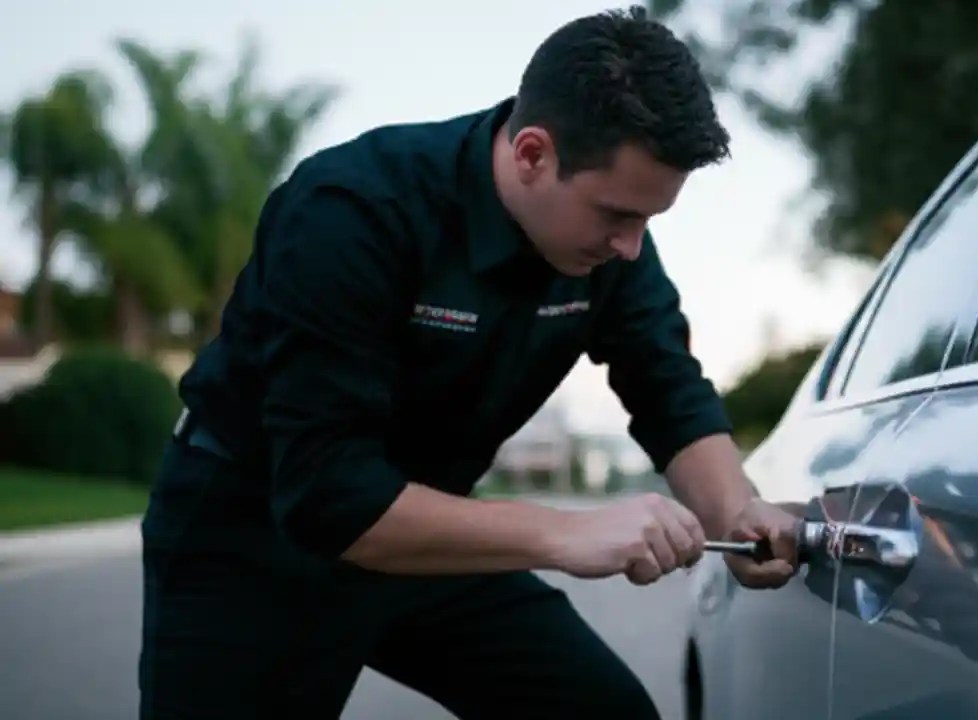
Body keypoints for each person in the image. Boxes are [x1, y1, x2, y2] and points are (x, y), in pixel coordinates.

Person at [138, 5, 799, 718]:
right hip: (257, 533)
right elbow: (329, 494)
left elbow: (666, 384)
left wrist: (738, 514)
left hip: (432, 530)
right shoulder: (353, 209)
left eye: (648, 220)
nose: (631, 246)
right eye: (615, 215)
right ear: (532, 155)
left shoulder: (607, 247)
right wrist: (568, 534)